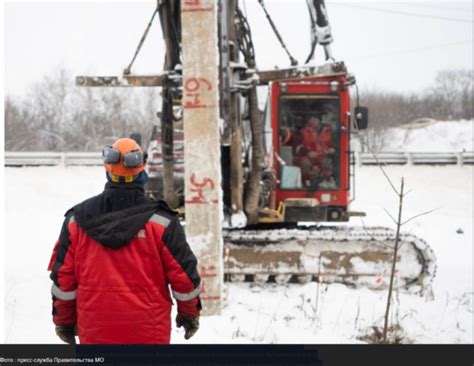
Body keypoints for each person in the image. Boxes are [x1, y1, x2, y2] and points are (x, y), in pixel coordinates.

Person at [47, 138, 201, 344]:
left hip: (95, 333)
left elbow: (64, 279)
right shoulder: (162, 222)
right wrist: (189, 314)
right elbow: (184, 278)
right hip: (149, 335)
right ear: (141, 168)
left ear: (107, 168)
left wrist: (64, 321)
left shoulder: (76, 221)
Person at [294, 115, 336, 188]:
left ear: (319, 119)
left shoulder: (328, 131)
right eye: (311, 118)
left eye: (315, 118)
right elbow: (297, 147)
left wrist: (332, 149)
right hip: (307, 157)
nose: (313, 120)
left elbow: (336, 145)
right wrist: (308, 153)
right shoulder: (303, 131)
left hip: (323, 156)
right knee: (305, 163)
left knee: (328, 163)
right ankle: (305, 184)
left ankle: (326, 182)